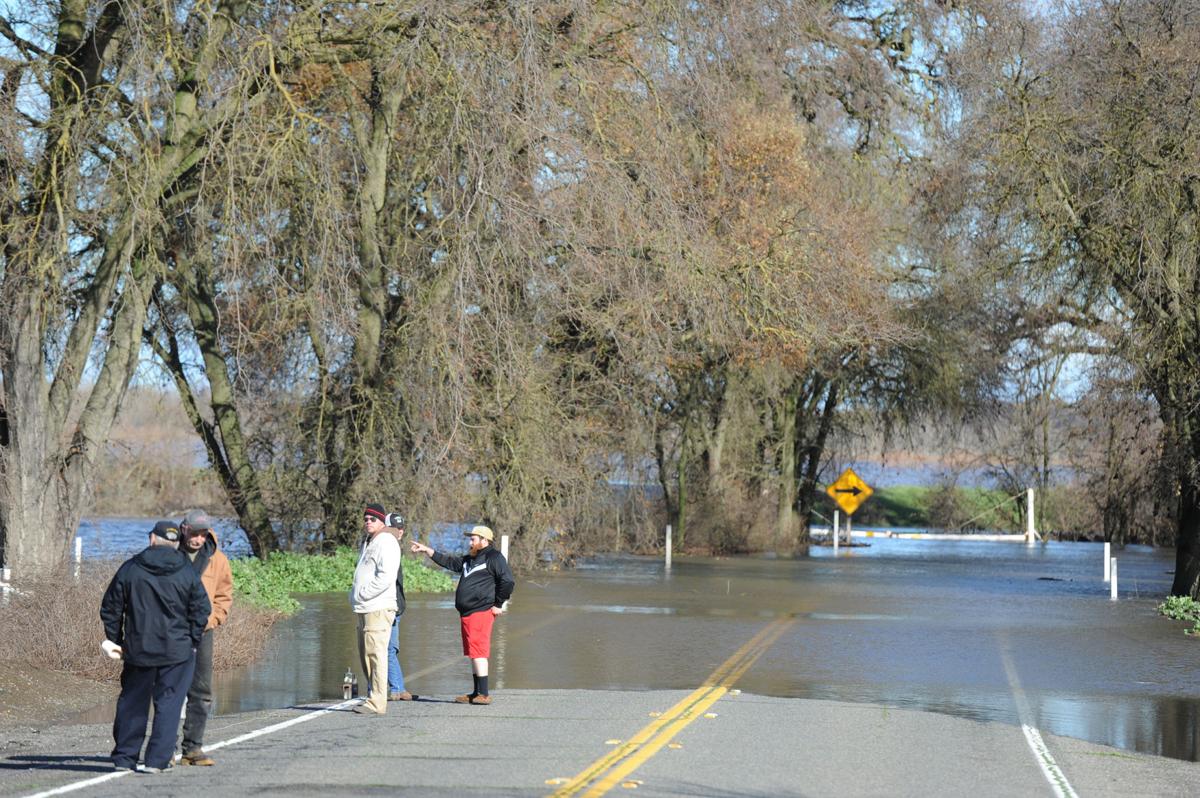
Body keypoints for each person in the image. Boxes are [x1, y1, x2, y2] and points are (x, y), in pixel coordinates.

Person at [100, 521, 210, 773]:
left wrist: (116, 640)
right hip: (177, 651)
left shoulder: (131, 569)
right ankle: (157, 761)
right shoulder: (187, 571)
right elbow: (201, 609)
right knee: (169, 704)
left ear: (152, 539)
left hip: (139, 649)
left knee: (132, 703)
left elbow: (111, 608)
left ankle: (125, 758)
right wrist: (192, 640)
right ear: (175, 543)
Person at [410, 524, 514, 705]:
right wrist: (428, 550)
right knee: (473, 653)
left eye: (473, 538)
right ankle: (476, 692)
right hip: (467, 613)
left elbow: (508, 581)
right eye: (470, 538)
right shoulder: (470, 559)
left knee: (479, 652)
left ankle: (484, 693)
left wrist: (498, 604)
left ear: (484, 540)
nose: (470, 541)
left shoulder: (494, 557)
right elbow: (450, 562)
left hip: (481, 611)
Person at [177, 509, 233, 766]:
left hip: (203, 633)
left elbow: (224, 595)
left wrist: (213, 620)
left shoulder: (218, 559)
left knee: (201, 691)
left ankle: (192, 748)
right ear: (183, 529)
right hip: (172, 632)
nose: (197, 539)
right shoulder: (170, 553)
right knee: (169, 689)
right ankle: (164, 747)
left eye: (202, 534)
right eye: (193, 533)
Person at [350, 503, 400, 715]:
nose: (368, 522)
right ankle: (373, 697)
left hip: (378, 608)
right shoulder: (370, 541)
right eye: (366, 519)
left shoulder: (386, 541)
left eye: (373, 519)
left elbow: (386, 578)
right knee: (366, 656)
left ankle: (378, 702)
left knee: (376, 655)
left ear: (382, 522)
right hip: (365, 608)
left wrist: (362, 593)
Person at [384, 512, 416, 702]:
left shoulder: (394, 546)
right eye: (395, 527)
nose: (400, 531)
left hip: (396, 607)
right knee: (385, 648)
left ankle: (397, 688)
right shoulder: (383, 546)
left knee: (391, 648)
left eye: (401, 528)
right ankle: (394, 688)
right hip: (387, 606)